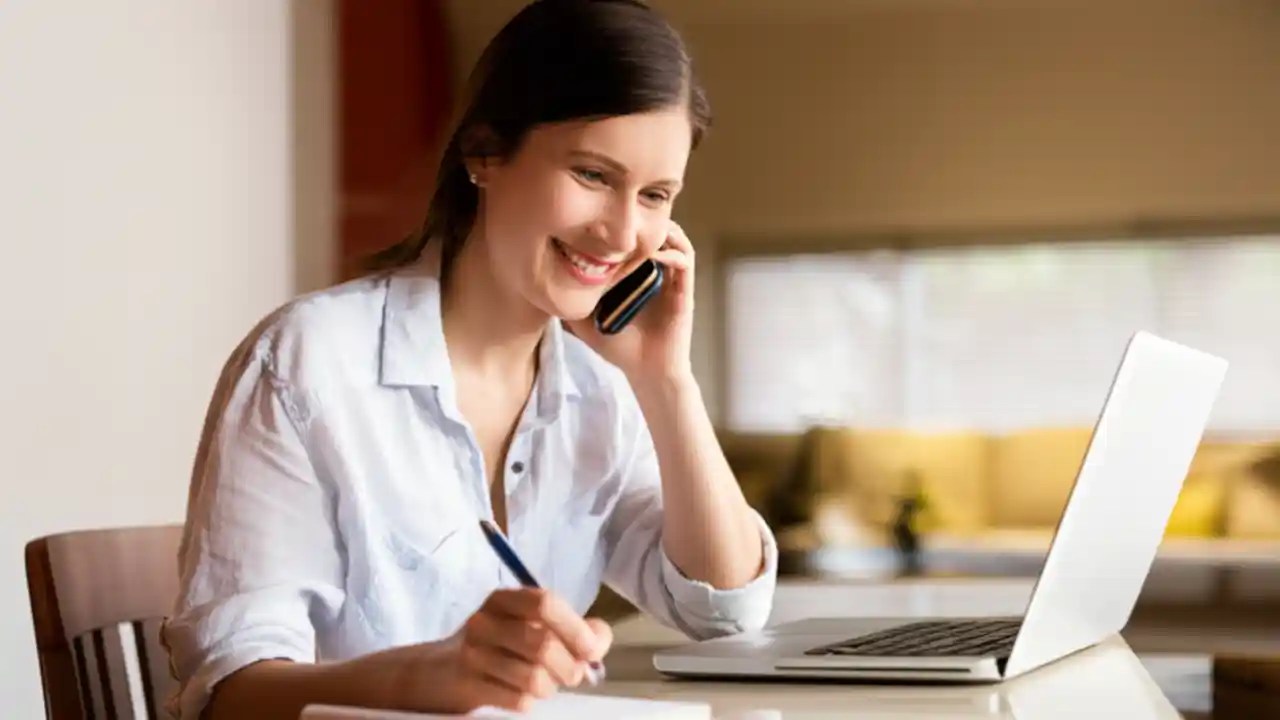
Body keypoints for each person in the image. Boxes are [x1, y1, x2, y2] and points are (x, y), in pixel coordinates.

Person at [161, 1, 778, 717]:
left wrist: (666, 380)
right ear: (484, 152)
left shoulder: (600, 392)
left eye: (655, 195)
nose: (622, 231)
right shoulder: (308, 364)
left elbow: (725, 610)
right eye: (591, 175)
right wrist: (421, 680)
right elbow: (228, 697)